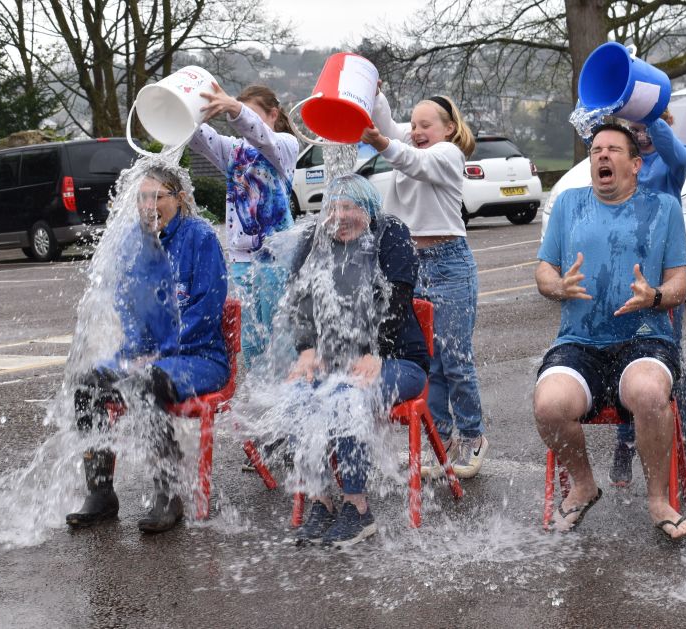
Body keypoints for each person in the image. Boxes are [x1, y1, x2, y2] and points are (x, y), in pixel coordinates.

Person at [533, 123, 686, 540]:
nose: (602, 156)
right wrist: (556, 286)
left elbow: (679, 284)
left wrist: (656, 296)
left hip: (645, 337)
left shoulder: (663, 208)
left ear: (636, 164)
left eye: (613, 150)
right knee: (549, 405)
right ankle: (584, 485)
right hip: (579, 342)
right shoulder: (568, 203)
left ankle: (657, 499)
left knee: (649, 392)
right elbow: (544, 269)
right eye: (596, 149)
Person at [66, 164, 229, 534]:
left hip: (199, 357)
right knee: (88, 383)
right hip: (150, 355)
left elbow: (207, 308)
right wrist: (138, 349)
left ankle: (168, 494)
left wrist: (163, 352)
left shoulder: (200, 238)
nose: (148, 204)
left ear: (180, 198)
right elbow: (128, 305)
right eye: (142, 197)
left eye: (157, 196)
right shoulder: (134, 242)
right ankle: (101, 492)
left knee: (144, 381)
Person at [283, 174, 430, 548]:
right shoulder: (314, 238)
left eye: (351, 207)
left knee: (344, 394)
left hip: (398, 360)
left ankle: (358, 506)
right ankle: (321, 499)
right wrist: (306, 350)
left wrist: (374, 353)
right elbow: (298, 298)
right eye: (334, 207)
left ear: (369, 210)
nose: (341, 215)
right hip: (335, 360)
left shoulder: (390, 234)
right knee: (298, 396)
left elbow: (398, 298)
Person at [361, 89, 487, 480]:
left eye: (425, 125)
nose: (415, 131)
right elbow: (386, 125)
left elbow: (413, 161)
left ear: (448, 129)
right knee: (429, 362)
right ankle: (442, 438)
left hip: (449, 265)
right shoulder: (411, 143)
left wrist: (384, 144)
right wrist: (375, 93)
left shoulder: (448, 155)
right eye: (412, 125)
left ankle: (472, 435)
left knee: (455, 359)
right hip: (411, 266)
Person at [611, 109, 686, 489]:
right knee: (621, 350)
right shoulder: (624, 161)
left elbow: (675, 153)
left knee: (666, 355)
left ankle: (683, 433)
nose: (640, 136)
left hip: (663, 273)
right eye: (634, 130)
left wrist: (649, 112)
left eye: (646, 130)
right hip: (621, 270)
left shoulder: (672, 161)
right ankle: (625, 440)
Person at [190, 84, 298, 367]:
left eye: (252, 113)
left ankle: (285, 394)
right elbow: (201, 140)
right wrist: (188, 113)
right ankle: (258, 400)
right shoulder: (234, 150)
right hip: (241, 260)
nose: (244, 122)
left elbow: (262, 138)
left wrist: (236, 110)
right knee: (250, 340)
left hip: (277, 257)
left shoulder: (285, 145)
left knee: (279, 333)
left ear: (273, 114)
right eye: (240, 114)